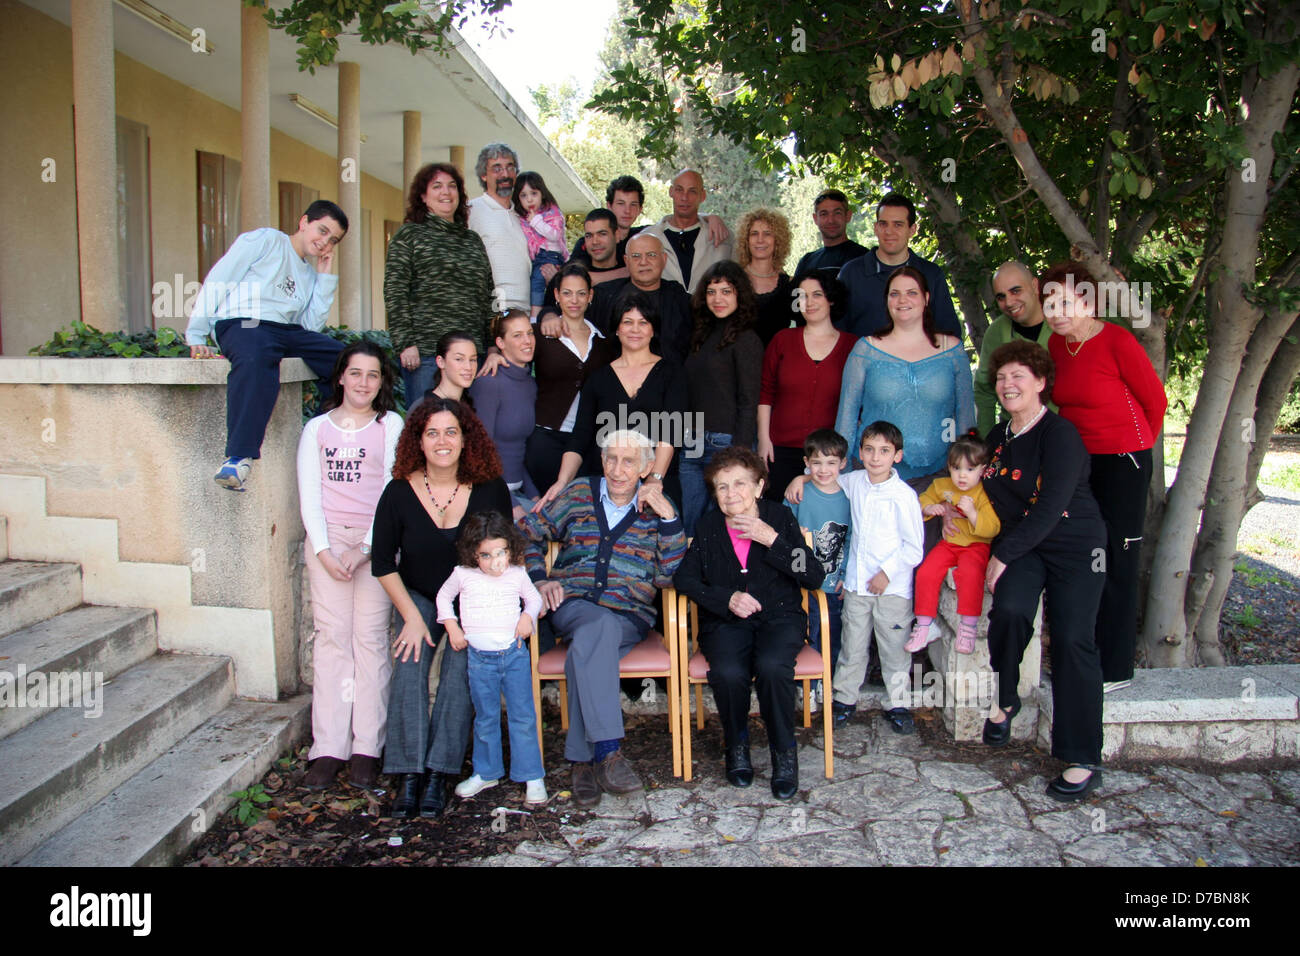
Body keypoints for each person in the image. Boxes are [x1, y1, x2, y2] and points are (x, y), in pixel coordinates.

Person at [519, 429, 686, 808]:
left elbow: (670, 574)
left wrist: (670, 518)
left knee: (592, 643)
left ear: (646, 468)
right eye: (611, 458)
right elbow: (526, 533)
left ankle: (581, 760)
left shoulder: (658, 507)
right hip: (573, 605)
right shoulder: (579, 494)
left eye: (628, 461)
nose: (617, 468)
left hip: (629, 615)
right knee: (595, 627)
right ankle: (609, 752)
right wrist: (539, 579)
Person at [370, 396, 512, 818]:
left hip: (471, 595)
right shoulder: (398, 491)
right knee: (410, 661)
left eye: (451, 431)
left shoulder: (490, 489)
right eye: (432, 432)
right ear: (419, 440)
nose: (442, 440)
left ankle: (439, 771)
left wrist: (464, 614)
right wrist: (413, 618)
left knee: (459, 666)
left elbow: (500, 558)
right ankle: (408, 772)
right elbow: (381, 562)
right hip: (416, 594)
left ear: (466, 439)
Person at [981, 340, 1107, 801]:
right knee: (1011, 611)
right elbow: (981, 491)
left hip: (1075, 544)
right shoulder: (997, 437)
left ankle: (1082, 756)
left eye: (1018, 375)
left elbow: (1052, 505)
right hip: (1025, 546)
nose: (1007, 384)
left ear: (1040, 383)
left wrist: (1003, 553)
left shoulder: (1060, 434)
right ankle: (1007, 697)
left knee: (1074, 639)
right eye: (1001, 377)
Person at [1041, 263, 1167, 692]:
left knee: (1117, 558)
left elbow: (1156, 401)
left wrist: (1136, 452)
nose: (1055, 311)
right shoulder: (1058, 346)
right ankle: (1080, 655)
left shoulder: (1117, 340)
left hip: (1123, 462)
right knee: (1083, 555)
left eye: (1064, 301)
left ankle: (1115, 668)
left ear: (1088, 302)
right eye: (1048, 302)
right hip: (1080, 464)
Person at [674, 447, 824, 798]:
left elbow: (813, 575)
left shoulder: (780, 518)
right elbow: (685, 580)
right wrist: (725, 598)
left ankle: (784, 753)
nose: (731, 494)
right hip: (726, 621)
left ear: (759, 487)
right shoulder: (709, 525)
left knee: (772, 666)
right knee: (728, 671)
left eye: (740, 484)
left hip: (779, 617)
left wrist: (771, 539)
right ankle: (737, 744)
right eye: (722, 487)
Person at [296, 341, 403, 790]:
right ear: (341, 376)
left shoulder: (389, 424)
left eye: (372, 375)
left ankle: (366, 747)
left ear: (381, 382)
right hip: (327, 544)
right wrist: (324, 551)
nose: (363, 382)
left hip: (373, 545)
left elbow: (391, 488)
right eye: (355, 373)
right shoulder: (317, 429)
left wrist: (367, 548)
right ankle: (328, 748)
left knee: (371, 642)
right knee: (332, 641)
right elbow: (310, 494)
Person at [186, 199, 348, 492]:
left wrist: (324, 277)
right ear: (303, 222)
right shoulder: (266, 240)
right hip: (244, 323)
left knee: (346, 360)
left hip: (285, 331)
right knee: (255, 357)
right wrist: (197, 334)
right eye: (322, 231)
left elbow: (310, 326)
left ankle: (321, 433)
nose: (324, 242)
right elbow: (219, 279)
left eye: (332, 240)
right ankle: (238, 457)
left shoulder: (310, 274)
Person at [540, 291, 691, 513]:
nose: (635, 330)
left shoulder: (673, 374)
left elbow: (671, 432)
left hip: (658, 480)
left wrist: (654, 479)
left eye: (643, 322)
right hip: (608, 481)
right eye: (627, 322)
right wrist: (563, 481)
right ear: (617, 329)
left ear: (653, 329)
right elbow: (580, 437)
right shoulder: (598, 379)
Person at [435, 511, 547, 806]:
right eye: (486, 555)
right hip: (479, 660)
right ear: (474, 553)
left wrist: (527, 618)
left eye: (501, 552)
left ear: (510, 549)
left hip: (513, 657)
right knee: (485, 717)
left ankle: (532, 775)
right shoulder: (463, 575)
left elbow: (534, 599)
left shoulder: (517, 574)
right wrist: (452, 626)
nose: (495, 561)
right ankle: (487, 771)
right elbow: (443, 598)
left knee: (522, 716)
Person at [825, 422, 924, 734]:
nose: (875, 457)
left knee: (893, 647)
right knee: (852, 644)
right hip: (856, 585)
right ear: (860, 452)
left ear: (897, 456)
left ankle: (898, 702)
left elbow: (914, 548)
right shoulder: (854, 481)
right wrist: (800, 479)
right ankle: (845, 697)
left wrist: (886, 573)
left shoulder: (903, 495)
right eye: (869, 449)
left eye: (884, 451)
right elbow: (826, 479)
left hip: (892, 590)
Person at [834, 265, 974, 481]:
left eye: (912, 293)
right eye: (894, 294)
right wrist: (843, 476)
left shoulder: (952, 350)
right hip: (873, 476)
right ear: (886, 300)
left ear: (926, 298)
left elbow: (965, 418)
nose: (902, 300)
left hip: (938, 476)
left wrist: (966, 473)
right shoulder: (866, 349)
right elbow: (846, 417)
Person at [385, 162, 494, 401]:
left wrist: (492, 346)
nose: (446, 192)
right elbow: (395, 291)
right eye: (437, 186)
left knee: (467, 428)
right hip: (426, 353)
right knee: (428, 427)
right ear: (423, 196)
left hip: (472, 357)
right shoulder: (409, 235)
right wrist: (404, 343)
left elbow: (489, 296)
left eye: (451, 186)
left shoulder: (472, 240)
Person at [680, 261, 764, 536]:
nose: (718, 299)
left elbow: (748, 400)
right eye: (712, 291)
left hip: (725, 442)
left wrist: (739, 457)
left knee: (721, 526)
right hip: (691, 440)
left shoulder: (746, 339)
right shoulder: (699, 335)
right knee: (691, 524)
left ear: (740, 295)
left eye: (726, 291)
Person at [757, 272, 857, 501]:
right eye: (802, 296)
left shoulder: (853, 346)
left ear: (831, 299)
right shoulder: (782, 340)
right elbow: (766, 393)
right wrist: (764, 439)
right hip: (779, 450)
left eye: (817, 295)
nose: (809, 303)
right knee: (778, 519)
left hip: (827, 457)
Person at [905, 433, 1000, 656]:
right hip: (949, 544)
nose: (962, 476)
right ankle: (924, 625)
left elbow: (993, 527)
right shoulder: (943, 485)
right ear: (949, 467)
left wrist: (973, 514)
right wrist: (929, 508)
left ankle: (968, 626)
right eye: (957, 469)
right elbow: (923, 499)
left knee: (969, 574)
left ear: (983, 470)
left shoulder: (984, 492)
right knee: (926, 572)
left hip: (976, 546)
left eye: (970, 469)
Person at [524, 263, 614, 494]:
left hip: (588, 441)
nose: (574, 300)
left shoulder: (603, 342)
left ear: (590, 296)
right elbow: (509, 348)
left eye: (581, 293)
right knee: (548, 506)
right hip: (546, 437)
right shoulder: (540, 333)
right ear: (556, 294)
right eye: (567, 293)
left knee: (581, 507)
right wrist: (494, 355)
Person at [836, 192, 961, 338]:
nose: (889, 231)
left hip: (918, 359)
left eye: (898, 225)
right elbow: (836, 334)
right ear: (876, 228)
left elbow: (949, 334)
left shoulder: (931, 274)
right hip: (863, 359)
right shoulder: (851, 273)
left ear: (912, 230)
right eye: (883, 224)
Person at [787, 429, 852, 679]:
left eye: (831, 463)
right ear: (806, 463)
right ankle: (806, 685)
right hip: (801, 583)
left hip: (833, 584)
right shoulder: (799, 494)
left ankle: (826, 682)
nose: (824, 470)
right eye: (817, 463)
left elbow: (855, 539)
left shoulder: (850, 497)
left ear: (843, 464)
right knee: (804, 633)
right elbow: (783, 530)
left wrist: (847, 575)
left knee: (830, 633)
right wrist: (794, 533)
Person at [578, 232, 693, 363]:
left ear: (664, 259)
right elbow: (571, 312)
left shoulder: (679, 299)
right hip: (617, 378)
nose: (644, 262)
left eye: (651, 255)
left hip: (669, 379)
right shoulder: (604, 295)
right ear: (627, 261)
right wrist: (549, 315)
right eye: (636, 256)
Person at [469, 310, 538, 516]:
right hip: (490, 493)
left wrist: (536, 497)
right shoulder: (489, 383)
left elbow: (518, 448)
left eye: (530, 333)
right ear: (500, 342)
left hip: (518, 493)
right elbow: (480, 453)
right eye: (517, 335)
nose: (527, 341)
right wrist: (514, 507)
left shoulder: (530, 384)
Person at [975, 261, 1054, 436]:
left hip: (1068, 433)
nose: (1009, 302)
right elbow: (984, 391)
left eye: (1016, 291)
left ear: (1034, 285)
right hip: (1017, 435)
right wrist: (985, 446)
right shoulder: (996, 333)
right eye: (1001, 297)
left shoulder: (1063, 321)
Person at [642, 169, 735, 293]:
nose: (684, 197)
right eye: (679, 190)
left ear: (703, 196)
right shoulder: (647, 238)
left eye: (692, 191)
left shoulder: (723, 237)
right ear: (671, 192)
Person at [467, 143, 532, 312]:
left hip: (525, 313)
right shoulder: (470, 211)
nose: (505, 174)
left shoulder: (524, 215)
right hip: (490, 312)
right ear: (483, 175)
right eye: (497, 168)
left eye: (510, 168)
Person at [736, 207, 796, 346]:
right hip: (738, 364)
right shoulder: (733, 281)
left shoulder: (791, 285)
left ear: (778, 240)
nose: (760, 240)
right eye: (754, 233)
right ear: (746, 240)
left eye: (767, 233)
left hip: (777, 363)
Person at [512, 171, 567, 318]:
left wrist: (536, 221)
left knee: (537, 282)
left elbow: (555, 235)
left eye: (533, 193)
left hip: (550, 256)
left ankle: (535, 317)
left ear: (542, 193)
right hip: (536, 257)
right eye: (524, 195)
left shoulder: (551, 213)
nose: (529, 199)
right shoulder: (523, 217)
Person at [792, 189, 869, 284]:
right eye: (824, 214)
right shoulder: (807, 262)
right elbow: (796, 297)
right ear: (816, 219)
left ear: (848, 216)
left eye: (837, 213)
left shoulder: (863, 257)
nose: (831, 220)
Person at [420, 331, 478, 407]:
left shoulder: (469, 405)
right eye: (459, 359)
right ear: (441, 362)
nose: (468, 367)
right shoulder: (426, 408)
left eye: (472, 360)